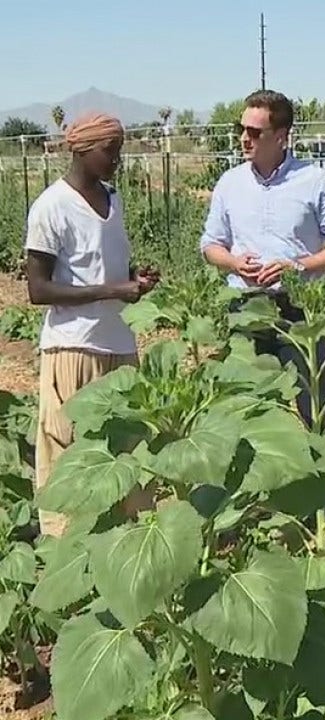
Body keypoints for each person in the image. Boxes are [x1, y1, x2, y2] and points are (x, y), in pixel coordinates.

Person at [25, 113, 159, 537]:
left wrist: (135, 281)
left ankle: (129, 543)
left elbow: (108, 267)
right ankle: (64, 547)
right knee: (71, 452)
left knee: (127, 450)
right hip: (73, 346)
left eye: (119, 150)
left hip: (118, 342)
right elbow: (39, 290)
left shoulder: (113, 200)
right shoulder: (52, 207)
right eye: (110, 151)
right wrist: (112, 290)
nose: (117, 159)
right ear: (82, 150)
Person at [198, 90, 325, 431]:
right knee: (243, 406)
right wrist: (233, 263)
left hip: (299, 312)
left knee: (314, 406)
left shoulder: (315, 182)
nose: (244, 138)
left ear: (282, 137)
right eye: (242, 129)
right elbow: (211, 244)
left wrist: (298, 266)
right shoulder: (230, 183)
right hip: (245, 308)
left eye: (255, 132)